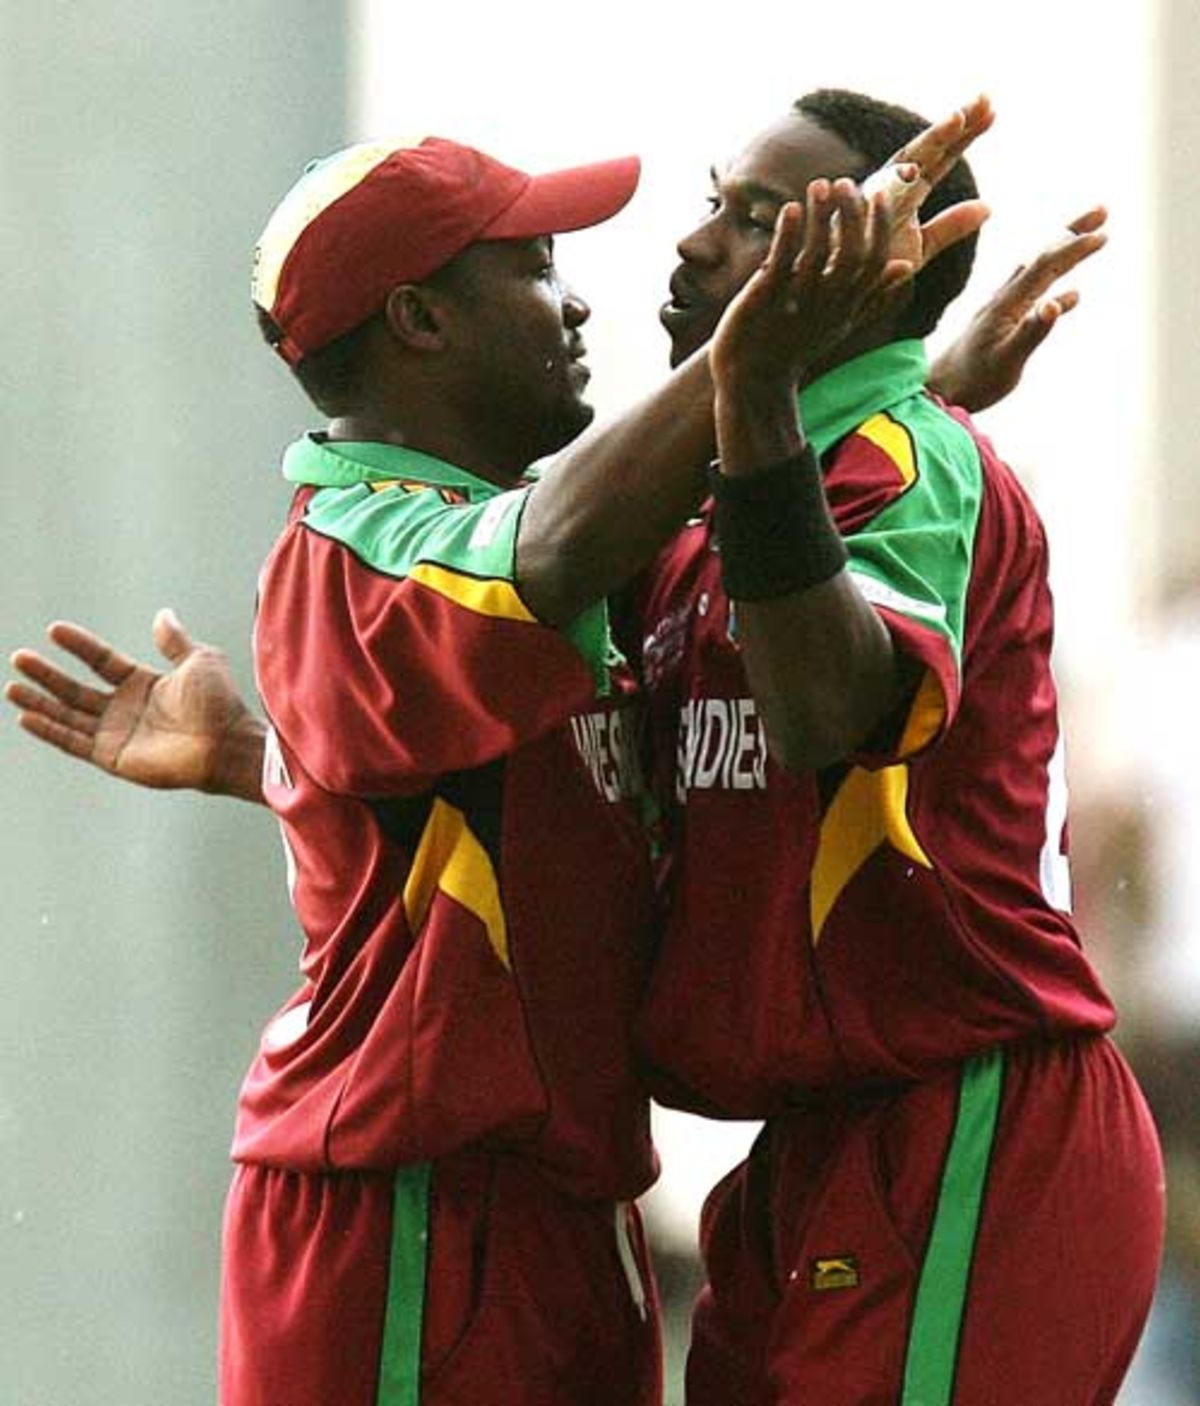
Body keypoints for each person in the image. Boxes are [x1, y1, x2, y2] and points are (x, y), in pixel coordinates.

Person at [7, 97, 1142, 1404]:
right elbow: (555, 558)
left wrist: (892, 386)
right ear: (422, 323)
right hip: (413, 1209)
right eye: (537, 270)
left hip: (710, 1176)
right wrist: (769, 370)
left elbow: (756, 600)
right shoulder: (377, 544)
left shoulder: (653, 552)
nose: (593, 298)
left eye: (752, 222)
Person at [633, 88, 1164, 1403]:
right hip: (816, 1139)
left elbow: (827, 708)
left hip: (970, 1127)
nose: (698, 245)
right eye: (715, 203)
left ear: (876, 283)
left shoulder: (895, 458)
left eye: (761, 222)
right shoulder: (713, 494)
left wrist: (758, 392)